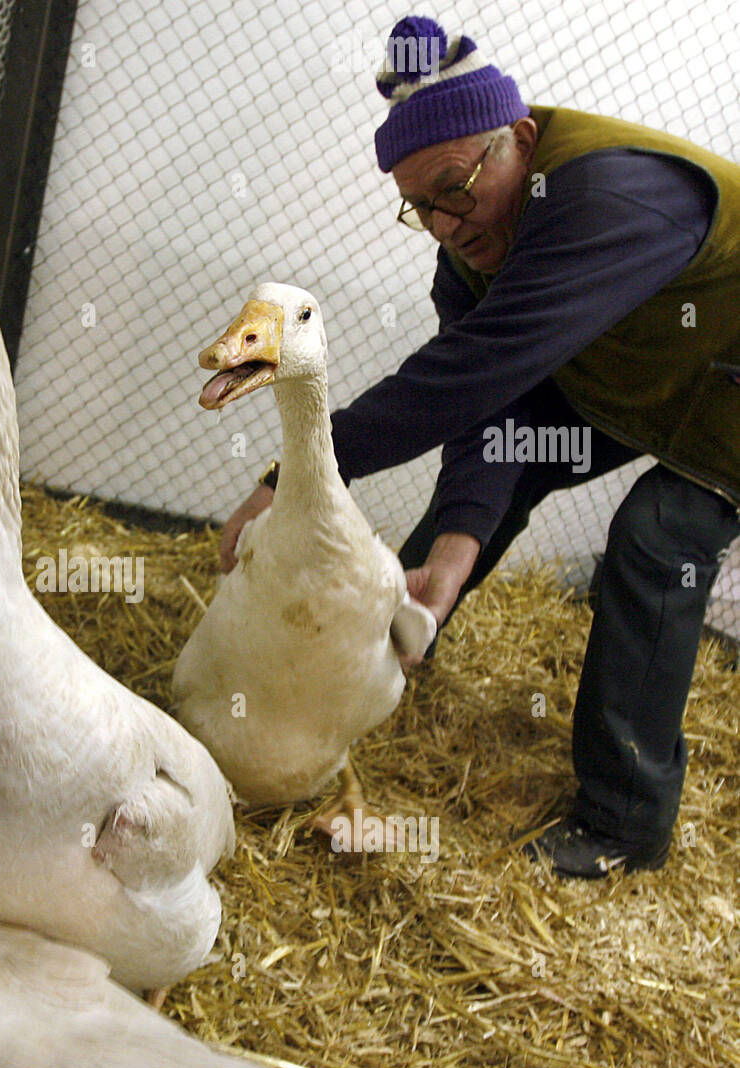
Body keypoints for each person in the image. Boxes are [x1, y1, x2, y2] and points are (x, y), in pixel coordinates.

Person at [222, 15, 740, 878]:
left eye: (455, 188)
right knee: (513, 452)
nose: (443, 225)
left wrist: (299, 468)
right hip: (652, 373)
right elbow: (486, 413)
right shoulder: (468, 252)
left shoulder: (607, 198)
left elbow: (468, 372)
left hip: (727, 383)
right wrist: (455, 553)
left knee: (658, 538)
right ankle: (389, 650)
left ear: (522, 142)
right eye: (417, 205)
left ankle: (623, 824)